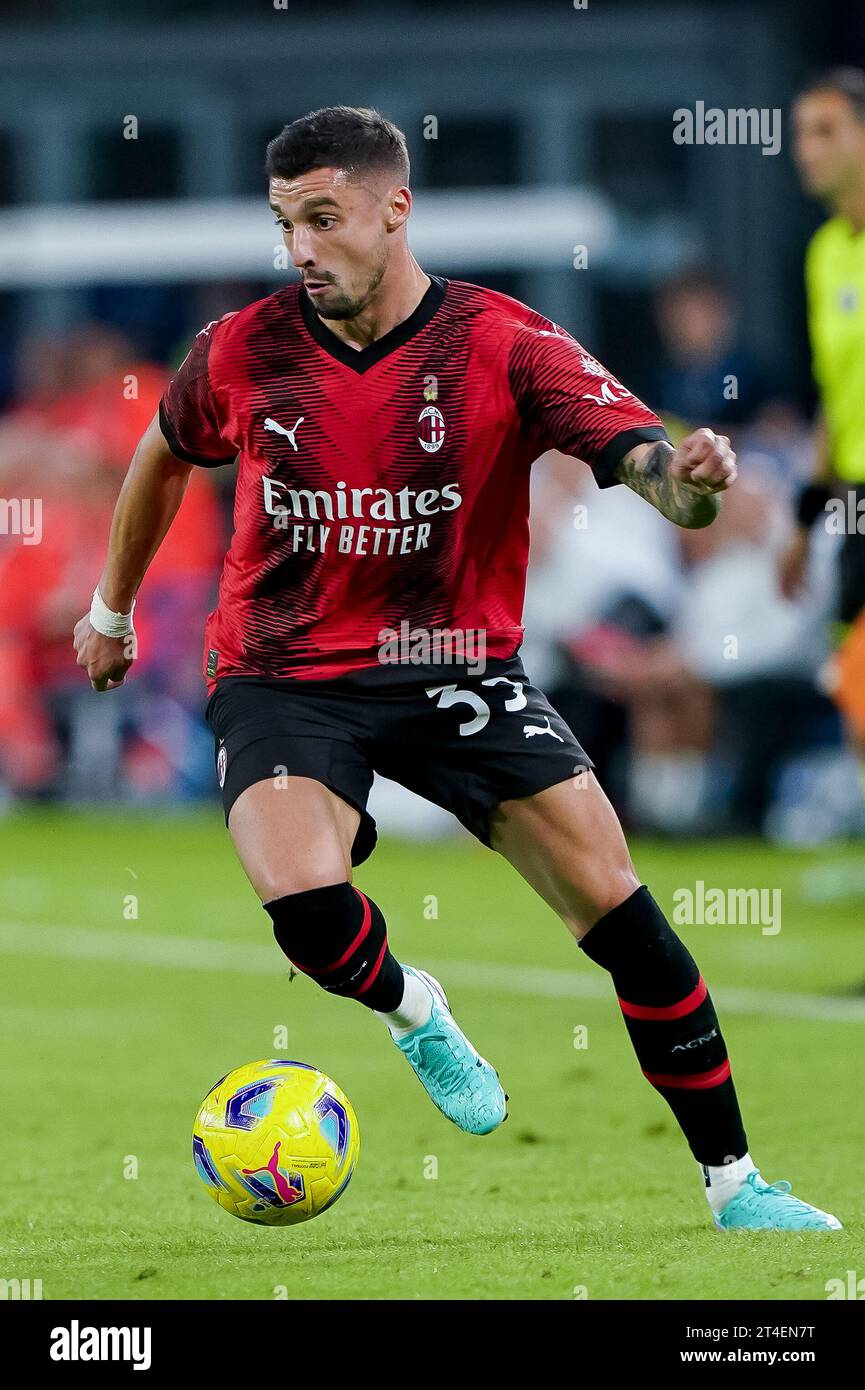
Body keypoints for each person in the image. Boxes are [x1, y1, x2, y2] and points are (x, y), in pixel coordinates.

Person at [73, 106, 839, 1231]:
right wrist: (111, 608)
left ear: (396, 208)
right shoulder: (242, 350)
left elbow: (653, 473)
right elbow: (162, 454)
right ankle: (414, 1006)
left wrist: (694, 482)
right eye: (286, 223)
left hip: (454, 668)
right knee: (303, 903)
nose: (300, 249)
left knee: (620, 914)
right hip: (284, 669)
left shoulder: (501, 343)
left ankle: (736, 1185)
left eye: (324, 219)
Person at [782, 68, 865, 626]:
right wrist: (803, 528)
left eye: (826, 131)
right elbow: (834, 405)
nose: (806, 149)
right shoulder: (826, 253)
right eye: (801, 133)